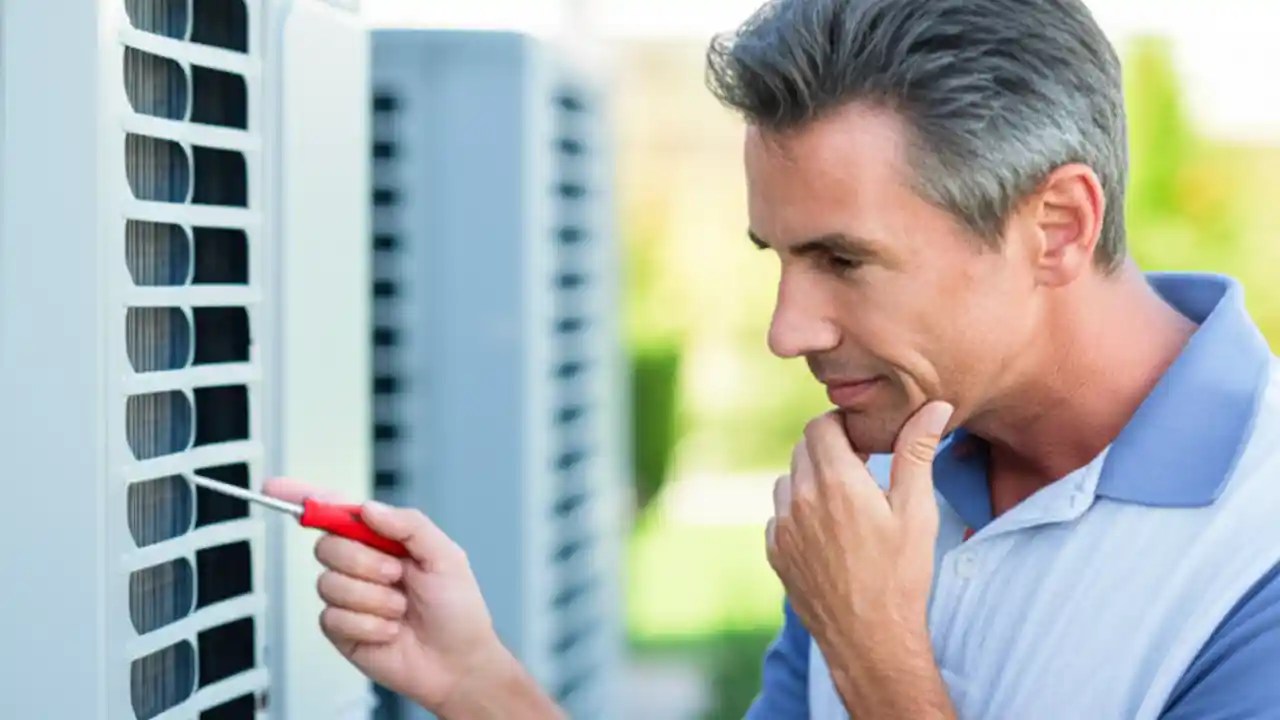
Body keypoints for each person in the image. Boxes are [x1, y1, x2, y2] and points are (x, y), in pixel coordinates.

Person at [266, 0, 1280, 717]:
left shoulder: (1254, 559)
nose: (785, 330)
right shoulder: (879, 482)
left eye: (842, 258)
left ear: (1055, 225)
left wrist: (877, 656)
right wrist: (475, 682)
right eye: (782, 257)